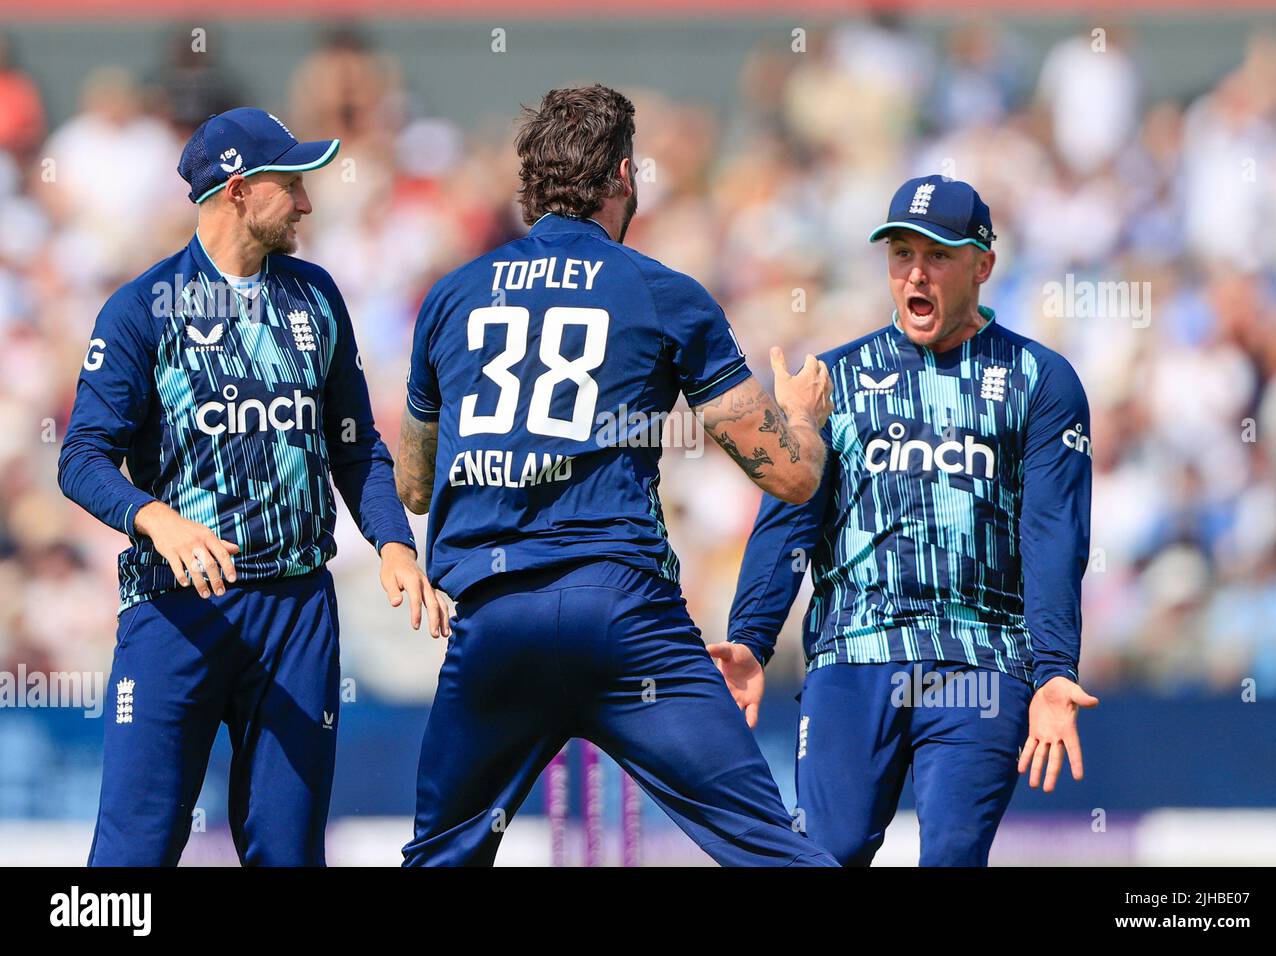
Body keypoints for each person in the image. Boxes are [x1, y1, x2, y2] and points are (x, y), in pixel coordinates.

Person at [396, 84, 837, 866]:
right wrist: (803, 414)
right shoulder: (662, 292)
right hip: (623, 619)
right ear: (626, 174)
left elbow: (416, 485)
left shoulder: (450, 297)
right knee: (771, 851)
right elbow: (793, 479)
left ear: (529, 185)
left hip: (496, 618)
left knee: (438, 857)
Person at [58, 107, 446, 866]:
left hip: (297, 612)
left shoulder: (315, 296)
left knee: (290, 850)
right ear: (236, 189)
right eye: (291, 184)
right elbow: (80, 457)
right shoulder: (143, 309)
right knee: (134, 853)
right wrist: (154, 520)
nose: (306, 201)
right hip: (177, 611)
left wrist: (395, 544)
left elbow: (355, 445)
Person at [719, 175, 1099, 866]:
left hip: (979, 661)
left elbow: (1055, 536)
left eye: (939, 255)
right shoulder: (832, 378)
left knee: (952, 856)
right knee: (826, 854)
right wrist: (749, 638)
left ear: (983, 265)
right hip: (853, 656)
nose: (915, 274)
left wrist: (1052, 671)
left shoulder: (1042, 381)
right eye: (900, 254)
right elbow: (789, 521)